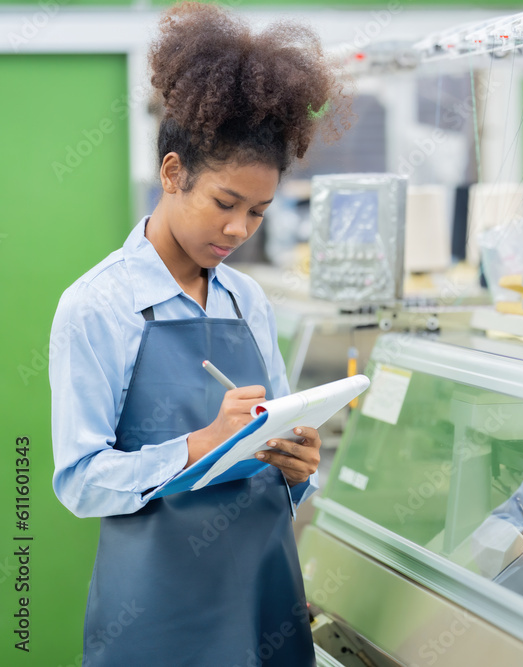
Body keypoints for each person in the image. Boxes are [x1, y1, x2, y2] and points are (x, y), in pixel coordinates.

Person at [48, 4, 350, 665]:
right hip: (162, 613)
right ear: (172, 172)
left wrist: (297, 468)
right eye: (225, 203)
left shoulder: (248, 301)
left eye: (258, 212)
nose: (240, 229)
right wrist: (199, 444)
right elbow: (79, 479)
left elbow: (273, 437)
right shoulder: (99, 306)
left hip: (265, 596)